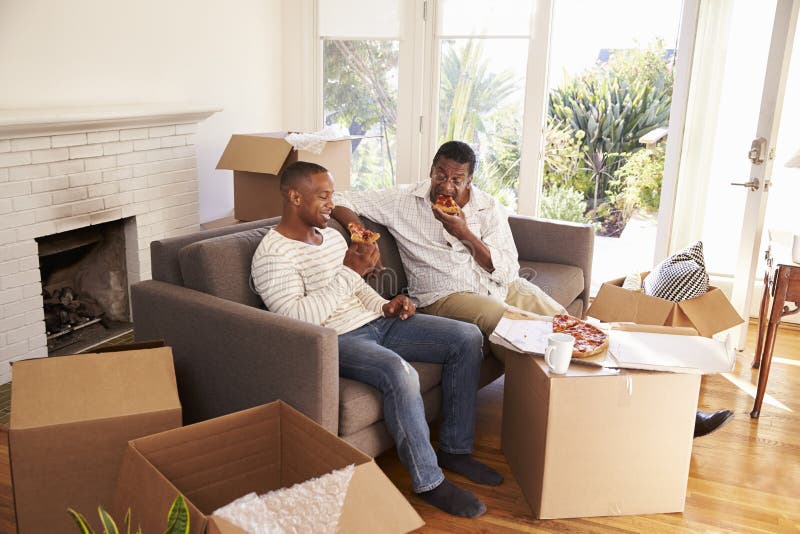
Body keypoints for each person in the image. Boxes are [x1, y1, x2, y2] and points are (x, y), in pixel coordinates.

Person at [332, 140, 733, 439]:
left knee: (579, 330)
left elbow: (505, 268)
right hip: (444, 298)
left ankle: (667, 409)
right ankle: (622, 421)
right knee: (535, 337)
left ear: (470, 180)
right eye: (440, 174)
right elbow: (340, 198)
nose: (446, 186)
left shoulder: (487, 208)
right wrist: (358, 233)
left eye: (456, 179)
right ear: (432, 168)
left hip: (498, 283)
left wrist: (466, 233)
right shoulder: (402, 200)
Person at [251, 161, 502, 519]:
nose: (330, 205)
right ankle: (430, 482)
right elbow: (298, 322)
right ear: (294, 196)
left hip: (374, 322)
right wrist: (349, 272)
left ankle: (455, 449)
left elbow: (356, 290)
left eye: (332, 196)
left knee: (466, 336)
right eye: (323, 197)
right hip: (334, 338)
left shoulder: (332, 237)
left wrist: (385, 305)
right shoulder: (273, 255)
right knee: (400, 372)